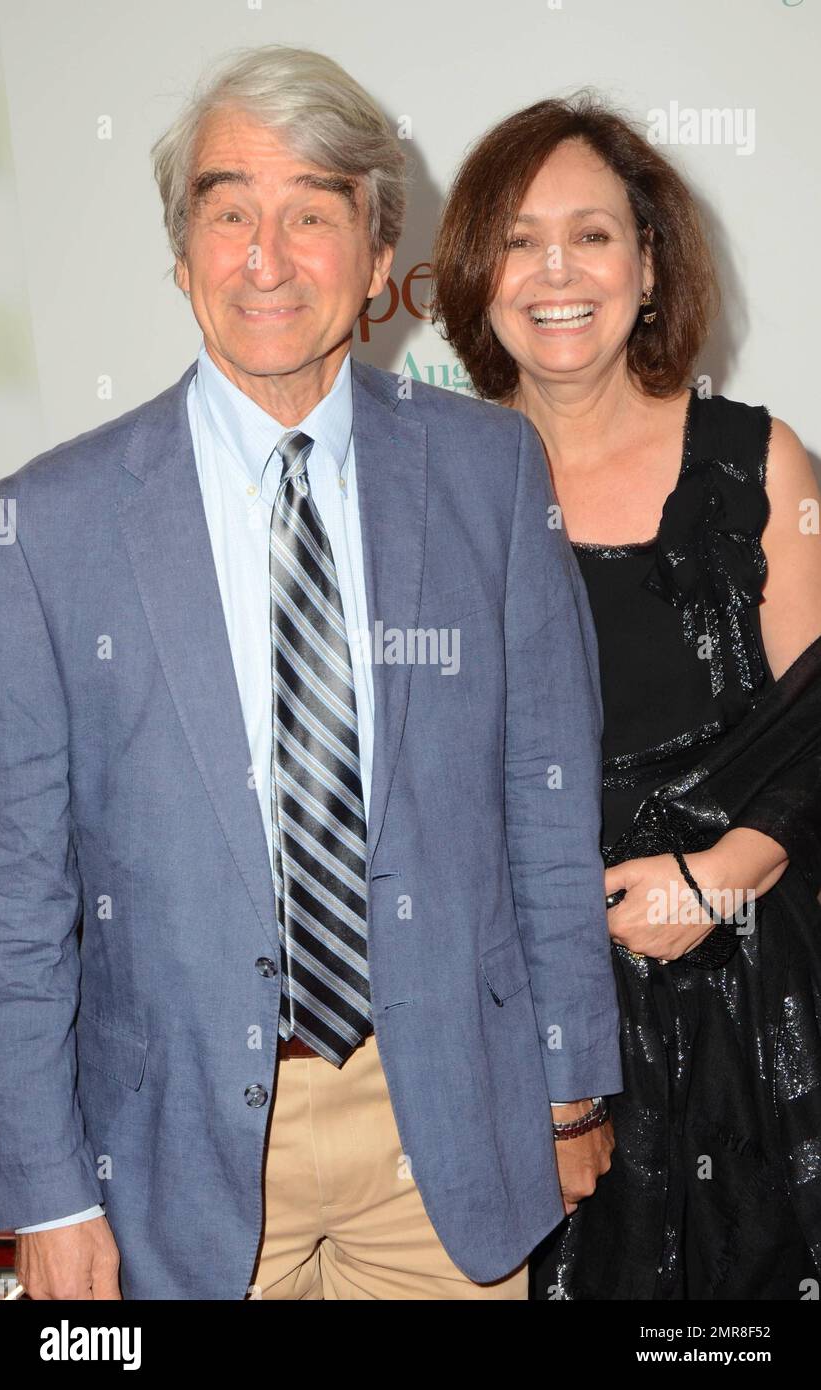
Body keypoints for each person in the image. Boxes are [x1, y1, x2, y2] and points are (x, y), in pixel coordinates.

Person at [0, 49, 621, 1301]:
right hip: (169, 1157)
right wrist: (43, 1189)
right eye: (228, 212)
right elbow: (16, 896)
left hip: (446, 1124)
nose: (264, 256)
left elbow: (547, 812)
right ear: (182, 254)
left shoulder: (491, 477)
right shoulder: (44, 526)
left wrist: (570, 1084)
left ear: (381, 257)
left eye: (311, 213)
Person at [431, 91, 821, 1299]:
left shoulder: (756, 462)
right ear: (477, 278)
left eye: (593, 234)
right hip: (532, 1025)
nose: (556, 269)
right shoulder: (428, 483)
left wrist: (721, 877)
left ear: (649, 267)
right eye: (519, 237)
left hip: (755, 1002)